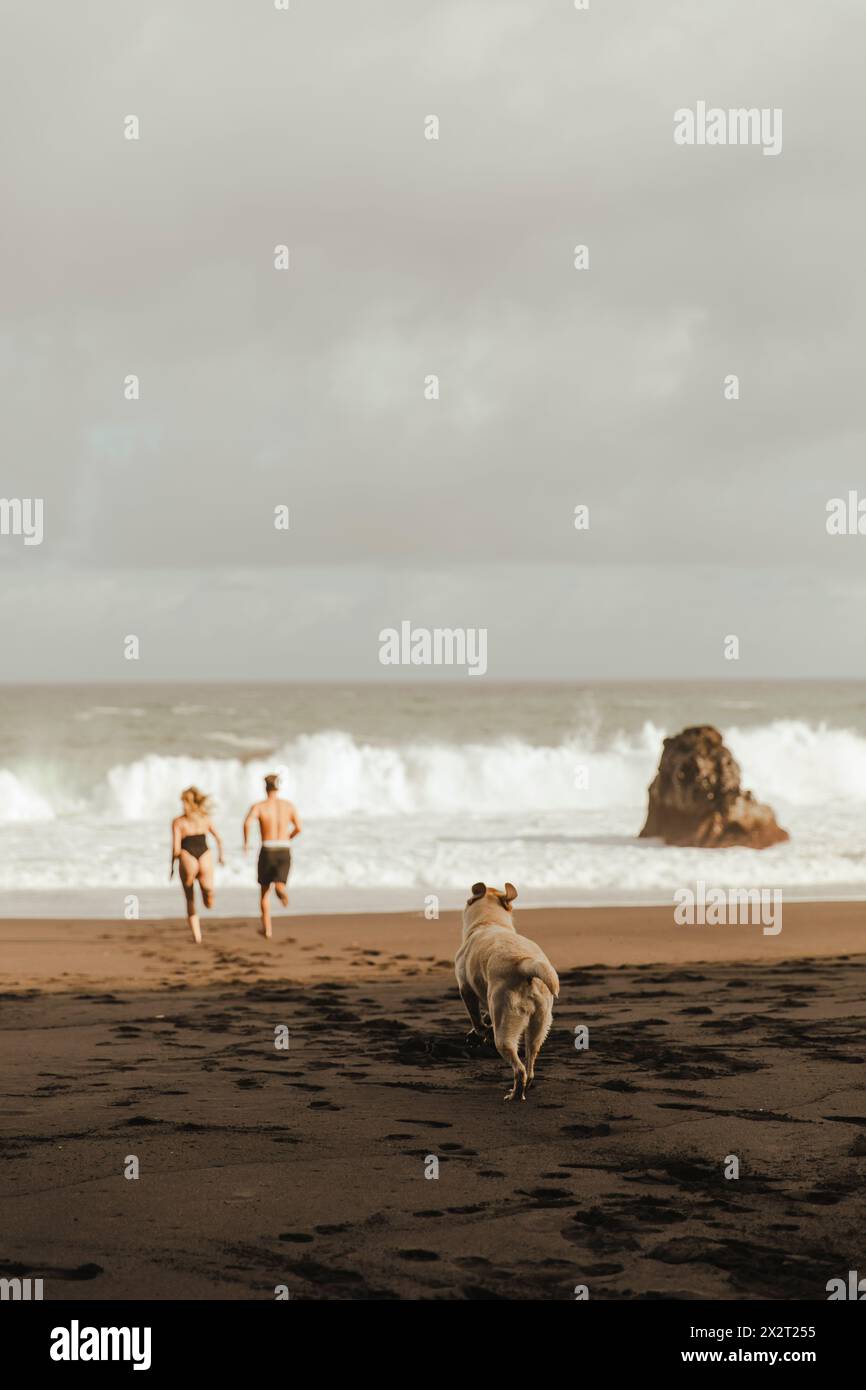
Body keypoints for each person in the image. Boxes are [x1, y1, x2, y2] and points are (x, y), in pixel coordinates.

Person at [243, 773, 302, 938]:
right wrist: (288, 838)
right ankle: (281, 889)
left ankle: (267, 929)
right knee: (280, 883)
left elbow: (247, 823)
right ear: (278, 787)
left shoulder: (260, 806)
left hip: (268, 849)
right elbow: (299, 827)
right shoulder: (288, 806)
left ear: (265, 787)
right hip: (284, 848)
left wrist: (246, 843)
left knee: (264, 892)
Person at [170, 786, 224, 944]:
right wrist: (221, 856)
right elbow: (219, 839)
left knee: (190, 898)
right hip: (204, 854)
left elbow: (176, 849)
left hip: (187, 856)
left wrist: (172, 867)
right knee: (208, 894)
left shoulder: (178, 822)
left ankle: (197, 936)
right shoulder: (205, 819)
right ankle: (208, 895)